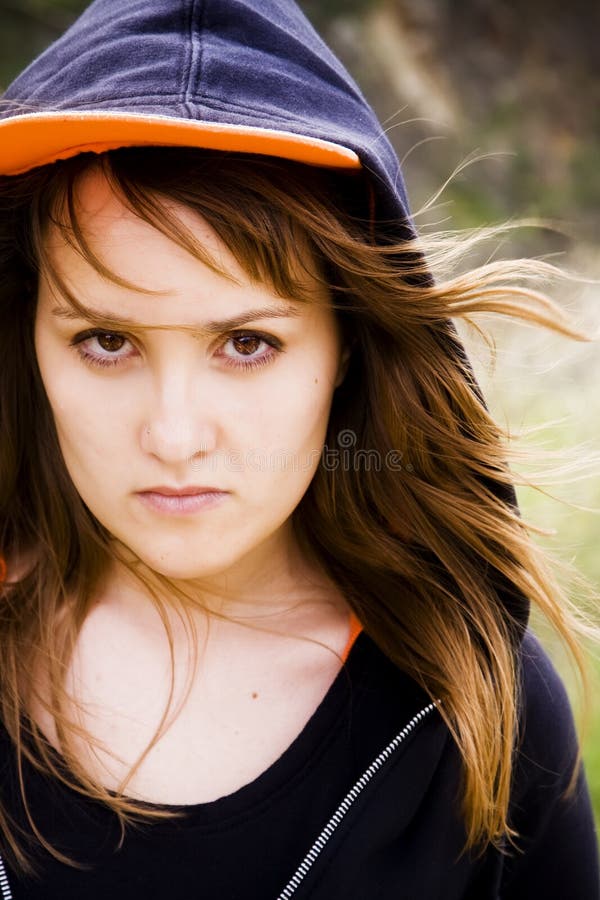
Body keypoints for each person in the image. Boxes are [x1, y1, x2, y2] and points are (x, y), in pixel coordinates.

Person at [0, 1, 598, 897]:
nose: (174, 436)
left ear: (347, 346)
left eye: (247, 344)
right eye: (106, 341)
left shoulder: (477, 707)